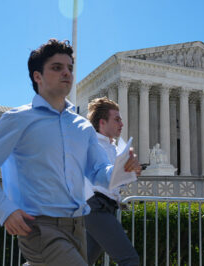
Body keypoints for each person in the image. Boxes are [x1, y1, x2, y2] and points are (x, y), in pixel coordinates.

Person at [0, 39, 140, 266]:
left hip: (78, 226)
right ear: (37, 76)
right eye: (57, 68)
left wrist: (124, 168)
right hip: (40, 228)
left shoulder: (82, 127)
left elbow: (99, 172)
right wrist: (5, 210)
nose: (67, 73)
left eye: (69, 68)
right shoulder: (17, 119)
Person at [85, 97, 139, 266]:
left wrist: (132, 170)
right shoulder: (90, 143)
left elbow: (115, 182)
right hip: (94, 206)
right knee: (129, 260)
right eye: (116, 119)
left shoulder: (115, 148)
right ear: (102, 122)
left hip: (105, 207)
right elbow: (102, 175)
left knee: (80, 262)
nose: (121, 124)